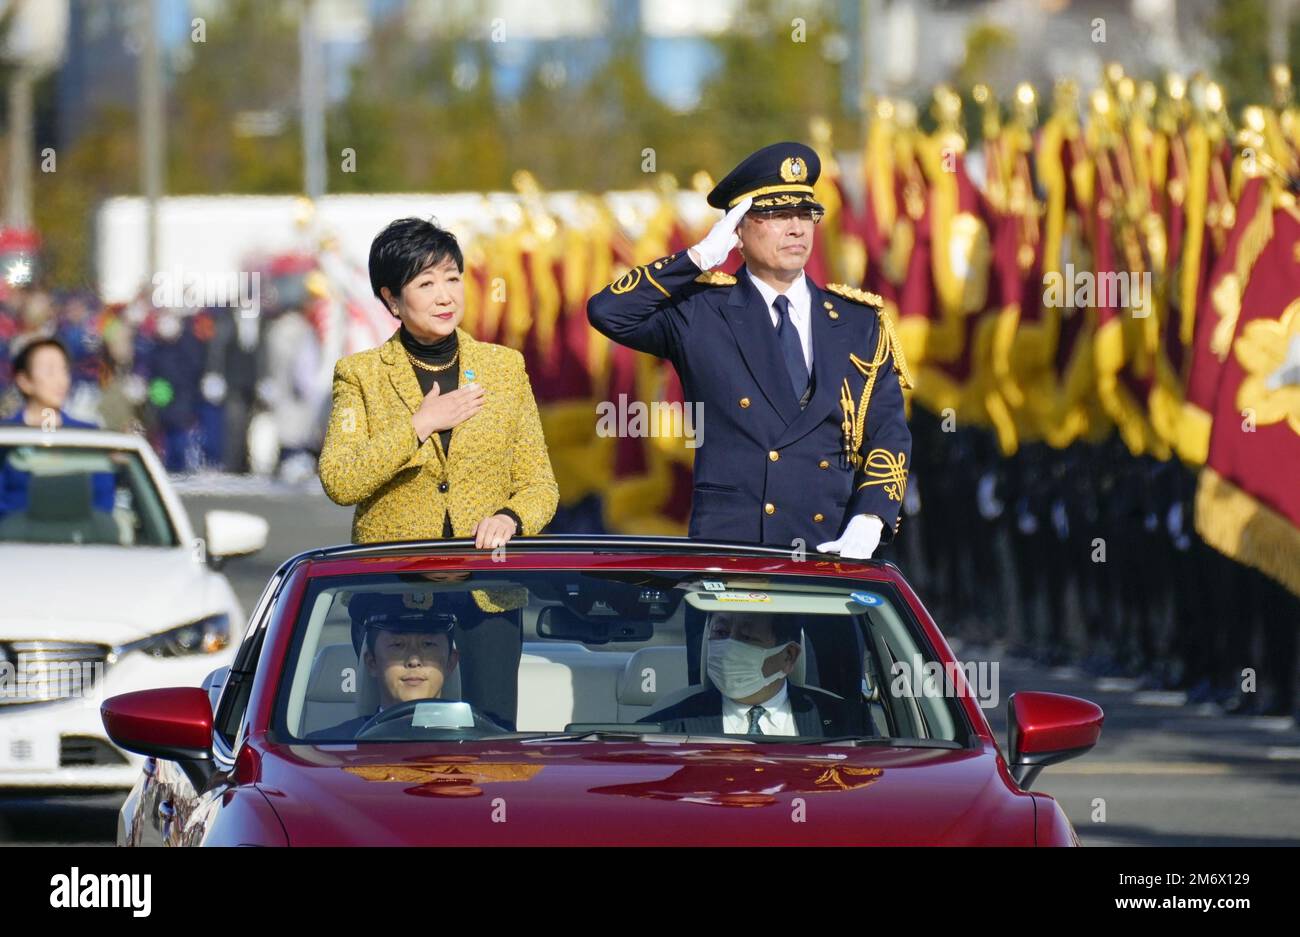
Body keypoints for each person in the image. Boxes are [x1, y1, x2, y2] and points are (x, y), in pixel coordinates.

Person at [588, 142, 912, 682]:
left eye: (806, 213)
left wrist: (872, 515)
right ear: (738, 228)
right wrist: (697, 259)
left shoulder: (857, 320)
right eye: (775, 214)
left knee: (836, 737)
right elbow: (608, 311)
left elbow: (888, 431)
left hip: (831, 555)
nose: (796, 228)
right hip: (733, 561)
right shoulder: (702, 310)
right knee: (728, 734)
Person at [317, 217, 559, 730]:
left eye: (452, 278)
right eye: (425, 283)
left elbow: (540, 483)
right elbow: (340, 479)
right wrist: (419, 427)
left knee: (492, 739)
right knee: (388, 741)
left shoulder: (503, 368)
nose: (445, 295)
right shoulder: (360, 374)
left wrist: (512, 517)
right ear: (391, 300)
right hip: (392, 587)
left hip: (487, 589)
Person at [640, 612, 868, 738]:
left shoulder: (850, 726)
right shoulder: (666, 728)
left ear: (788, 656)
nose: (728, 647)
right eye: (720, 632)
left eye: (747, 637)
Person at [306, 593, 460, 740]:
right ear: (371, 662)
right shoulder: (328, 750)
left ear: (451, 661)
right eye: (398, 645)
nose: (414, 660)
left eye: (428, 644)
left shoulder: (480, 745)